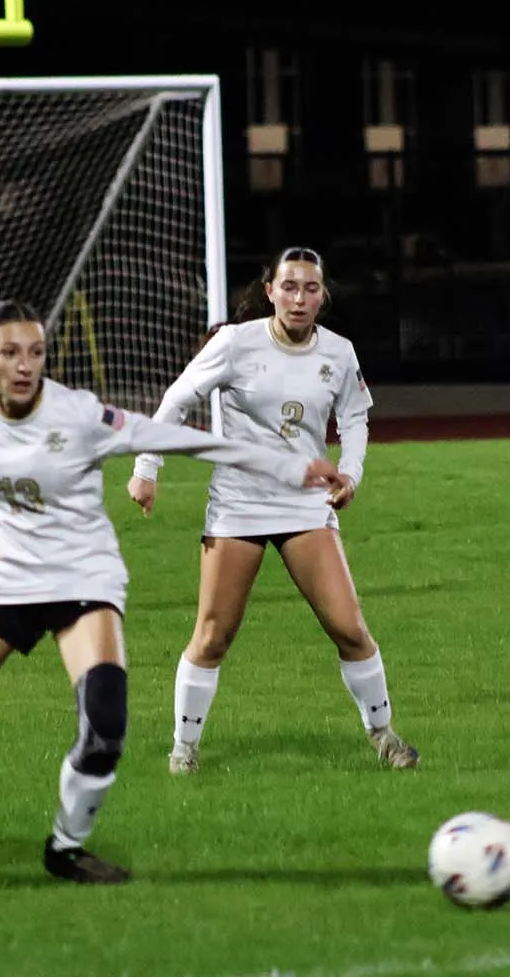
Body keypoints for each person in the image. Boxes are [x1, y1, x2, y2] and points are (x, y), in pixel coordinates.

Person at [0, 299, 339, 892]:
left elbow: (181, 439)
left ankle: (65, 847)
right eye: (9, 352)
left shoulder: (80, 413)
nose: (24, 364)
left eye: (35, 351)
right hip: (4, 582)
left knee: (106, 724)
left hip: (83, 580)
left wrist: (292, 469)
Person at [126, 246, 420, 776]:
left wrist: (350, 473)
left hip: (306, 506)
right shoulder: (235, 344)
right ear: (269, 291)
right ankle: (183, 749)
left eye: (310, 288)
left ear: (322, 294)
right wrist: (146, 468)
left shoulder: (339, 352)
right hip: (239, 505)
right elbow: (176, 400)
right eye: (289, 287)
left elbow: (355, 420)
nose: (299, 298)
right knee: (214, 635)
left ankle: (383, 734)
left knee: (350, 628)